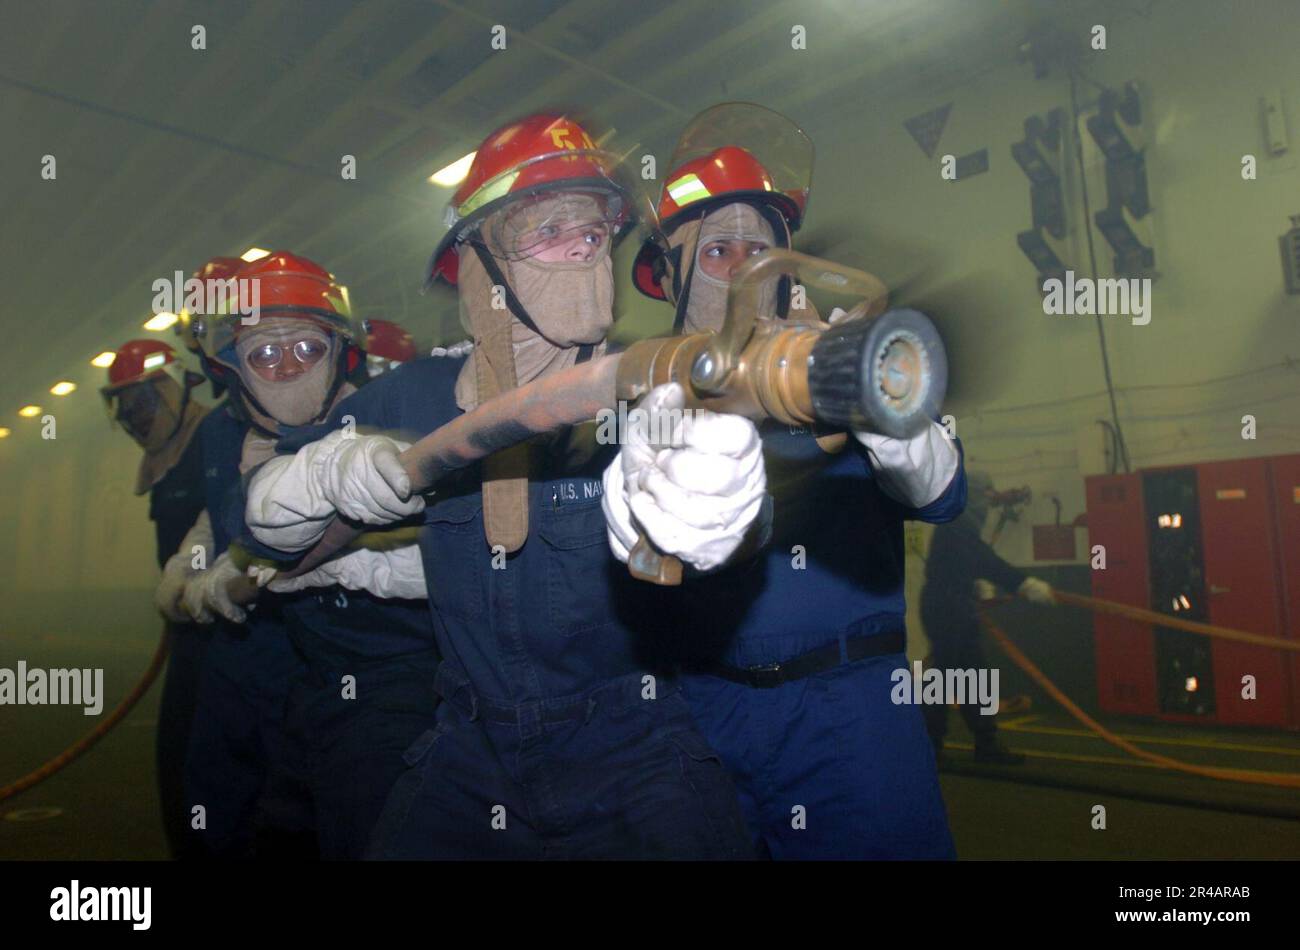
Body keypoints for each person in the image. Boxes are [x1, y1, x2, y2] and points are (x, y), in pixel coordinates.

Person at [242, 113, 759, 859]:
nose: (584, 248)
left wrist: (719, 502)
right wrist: (318, 476)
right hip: (470, 750)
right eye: (550, 230)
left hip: (635, 750)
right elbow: (262, 527)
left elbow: (730, 508)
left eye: (594, 232)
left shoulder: (651, 389)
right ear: (481, 269)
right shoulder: (408, 399)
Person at [611, 103, 966, 859]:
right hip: (702, 712)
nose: (742, 271)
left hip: (853, 711)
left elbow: (940, 493)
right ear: (667, 269)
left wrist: (872, 397)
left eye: (757, 250)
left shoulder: (842, 362)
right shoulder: (643, 398)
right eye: (715, 253)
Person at [184, 250, 439, 859]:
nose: (287, 365)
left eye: (307, 347)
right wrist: (211, 566)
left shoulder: (391, 419)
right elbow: (235, 529)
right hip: (310, 683)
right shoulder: (245, 443)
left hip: (404, 684)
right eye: (263, 352)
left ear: (340, 349)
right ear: (230, 366)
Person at [101, 338, 210, 857]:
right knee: (179, 776)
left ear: (181, 387)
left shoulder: (213, 442)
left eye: (143, 402)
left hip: (231, 644)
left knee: (209, 781)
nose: (135, 418)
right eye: (125, 407)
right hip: (191, 638)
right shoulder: (169, 460)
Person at [920, 470, 1057, 765]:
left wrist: (971, 583)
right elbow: (982, 558)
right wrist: (1022, 583)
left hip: (953, 603)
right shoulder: (956, 524)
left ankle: (985, 742)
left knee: (973, 674)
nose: (987, 502)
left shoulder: (959, 524)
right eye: (983, 495)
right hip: (945, 606)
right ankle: (930, 746)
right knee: (944, 677)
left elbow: (968, 560)